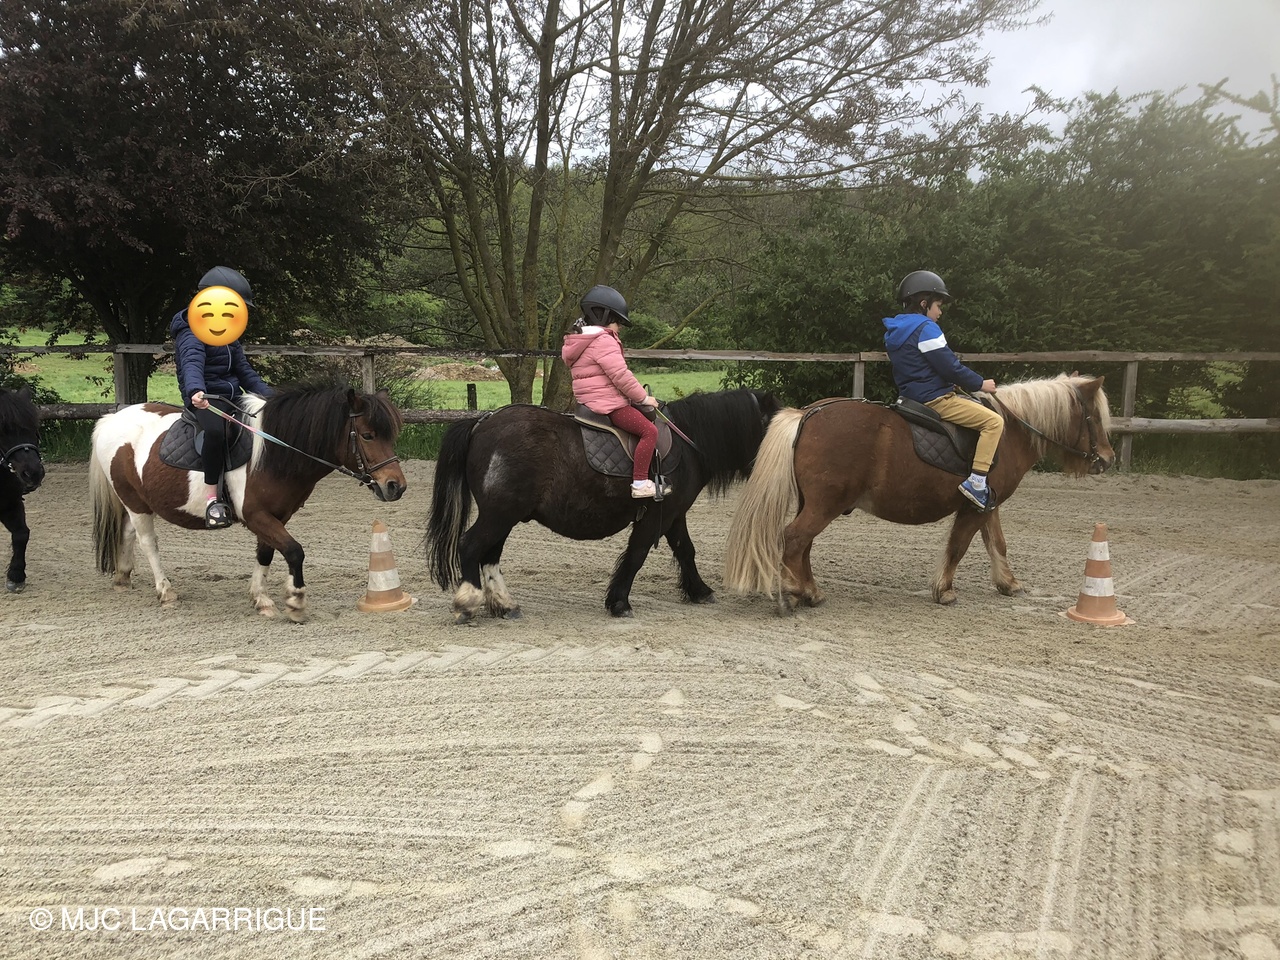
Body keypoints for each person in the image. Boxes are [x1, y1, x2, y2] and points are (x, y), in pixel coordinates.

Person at [883, 270, 1003, 510]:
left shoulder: (896, 330)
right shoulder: (926, 328)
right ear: (924, 303)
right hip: (935, 399)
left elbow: (922, 367)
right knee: (994, 423)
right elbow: (950, 367)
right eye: (938, 305)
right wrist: (980, 384)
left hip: (910, 398)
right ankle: (977, 483)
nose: (940, 312)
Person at [171, 265, 274, 528]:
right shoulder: (192, 331)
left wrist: (272, 398)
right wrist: (195, 391)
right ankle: (212, 499)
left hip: (231, 396)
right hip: (205, 398)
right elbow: (192, 363)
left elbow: (245, 372)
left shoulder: (229, 336)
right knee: (218, 434)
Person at [561, 284, 667, 499]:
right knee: (649, 431)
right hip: (608, 404)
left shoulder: (581, 340)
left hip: (588, 401)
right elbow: (621, 376)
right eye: (617, 322)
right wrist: (644, 398)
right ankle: (639, 483)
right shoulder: (603, 341)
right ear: (605, 316)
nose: (618, 328)